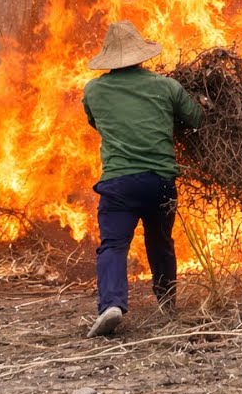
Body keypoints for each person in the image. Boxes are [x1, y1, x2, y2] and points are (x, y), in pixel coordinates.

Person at [81, 20, 204, 338]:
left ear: (109, 58)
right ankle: (167, 304)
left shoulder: (93, 90)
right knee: (160, 242)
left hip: (119, 184)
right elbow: (196, 119)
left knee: (113, 244)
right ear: (140, 55)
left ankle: (111, 305)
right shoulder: (167, 86)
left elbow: (97, 122)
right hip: (159, 181)